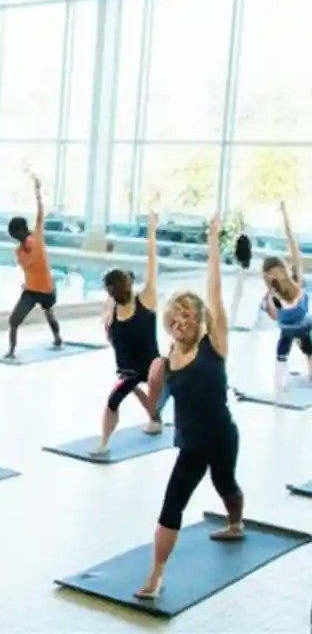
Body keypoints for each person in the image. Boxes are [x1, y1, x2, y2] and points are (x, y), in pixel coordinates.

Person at [136, 213, 244, 601]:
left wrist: (213, 239)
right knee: (172, 504)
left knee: (225, 484)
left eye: (187, 317)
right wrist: (149, 383)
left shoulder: (214, 344)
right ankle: (156, 575)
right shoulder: (166, 362)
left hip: (223, 438)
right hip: (190, 446)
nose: (180, 323)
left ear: (197, 319)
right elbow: (153, 412)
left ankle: (235, 521)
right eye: (175, 318)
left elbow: (214, 290)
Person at [93, 210, 165, 455]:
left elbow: (152, 263)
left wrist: (152, 231)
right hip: (129, 369)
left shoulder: (146, 299)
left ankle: (156, 419)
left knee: (153, 394)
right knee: (116, 399)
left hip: (153, 366)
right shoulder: (111, 308)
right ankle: (103, 442)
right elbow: (110, 336)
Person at [5, 174, 63, 359]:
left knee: (50, 316)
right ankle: (11, 351)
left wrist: (37, 192)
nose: (15, 236)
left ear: (22, 230)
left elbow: (40, 212)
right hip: (31, 290)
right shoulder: (18, 251)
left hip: (46, 289)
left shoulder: (37, 237)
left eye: (16, 233)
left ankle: (57, 337)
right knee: (14, 320)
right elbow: (27, 266)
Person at [262, 201, 312, 395]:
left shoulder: (272, 293)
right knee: (307, 346)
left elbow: (274, 316)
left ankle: (279, 384)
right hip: (303, 324)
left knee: (282, 350)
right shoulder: (296, 281)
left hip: (289, 328)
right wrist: (285, 217)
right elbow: (294, 248)